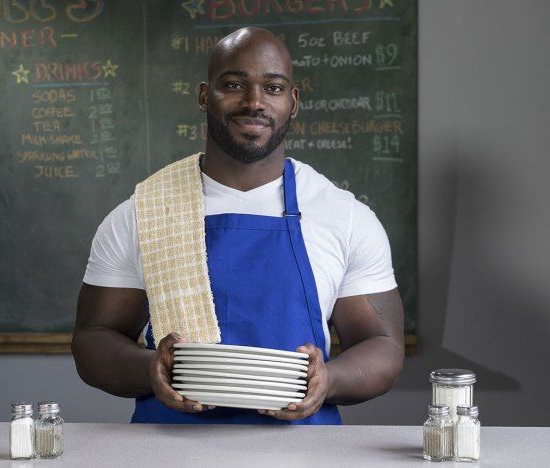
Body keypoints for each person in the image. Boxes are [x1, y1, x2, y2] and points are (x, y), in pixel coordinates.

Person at [72, 27, 404, 425]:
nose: (254, 102)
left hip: (304, 453)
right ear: (203, 95)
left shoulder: (345, 217)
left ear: (292, 103)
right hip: (167, 453)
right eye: (233, 84)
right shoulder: (141, 214)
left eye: (274, 88)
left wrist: (328, 380)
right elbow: (93, 339)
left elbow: (382, 344)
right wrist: (148, 369)